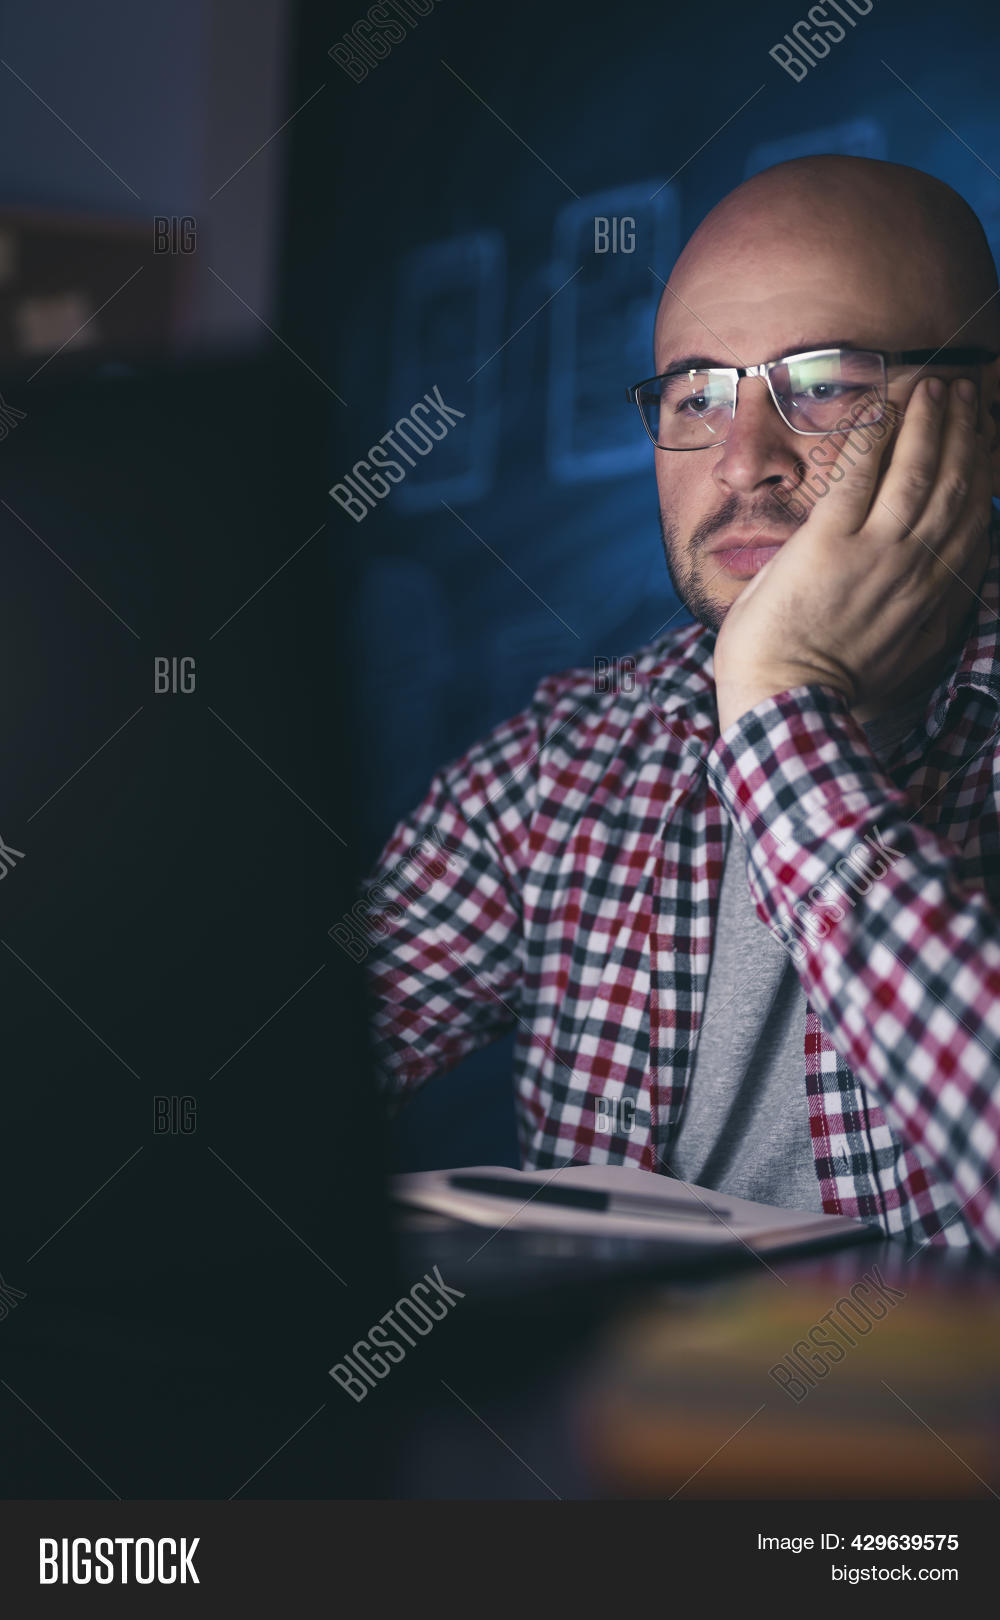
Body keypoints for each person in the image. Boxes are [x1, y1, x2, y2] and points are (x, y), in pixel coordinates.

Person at [360, 155, 1000, 1252]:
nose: (743, 461)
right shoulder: (565, 759)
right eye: (696, 395)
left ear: (982, 415)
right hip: (601, 1423)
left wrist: (779, 714)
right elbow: (240, 1091)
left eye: (827, 380)